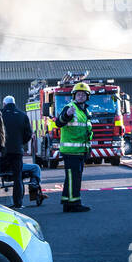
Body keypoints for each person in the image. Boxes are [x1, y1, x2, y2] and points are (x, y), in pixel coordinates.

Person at [57, 81, 93, 212]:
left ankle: (67, 202)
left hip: (80, 151)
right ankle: (74, 204)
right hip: (71, 151)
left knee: (72, 178)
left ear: (87, 97)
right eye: (78, 94)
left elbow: (86, 132)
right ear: (74, 96)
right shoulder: (70, 107)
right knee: (74, 178)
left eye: (83, 95)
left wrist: (88, 149)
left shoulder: (84, 111)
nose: (81, 97)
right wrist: (67, 115)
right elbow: (59, 122)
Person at [0, 95, 32, 208]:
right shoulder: (22, 115)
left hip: (1, 151)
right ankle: (18, 202)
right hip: (17, 150)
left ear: (4, 104)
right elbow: (28, 134)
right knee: (18, 177)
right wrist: (20, 142)